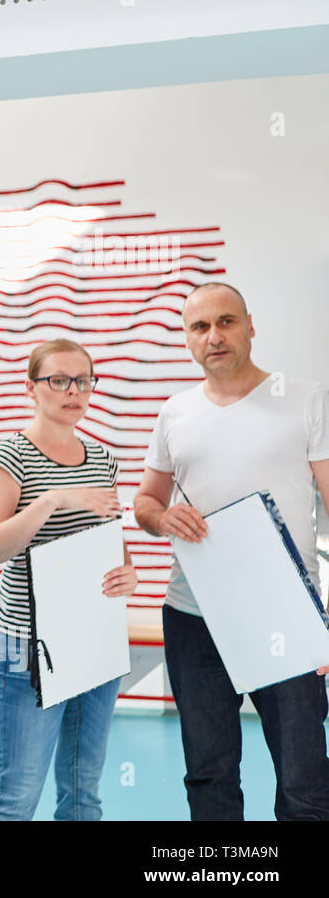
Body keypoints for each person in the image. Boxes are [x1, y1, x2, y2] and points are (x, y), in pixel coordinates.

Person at [134, 281, 329, 820]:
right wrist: (161, 515)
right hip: (194, 618)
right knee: (209, 772)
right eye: (200, 326)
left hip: (286, 619)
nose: (214, 336)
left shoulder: (305, 398)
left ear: (249, 326)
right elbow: (146, 502)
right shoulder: (175, 412)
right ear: (187, 339)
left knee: (305, 779)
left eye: (226, 321)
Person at [0, 338, 138, 821]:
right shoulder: (10, 456)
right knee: (17, 795)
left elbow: (111, 535)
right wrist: (53, 499)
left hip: (95, 639)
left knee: (83, 792)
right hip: (29, 644)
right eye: (59, 380)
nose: (74, 391)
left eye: (83, 381)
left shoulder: (103, 459)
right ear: (32, 387)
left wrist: (127, 571)